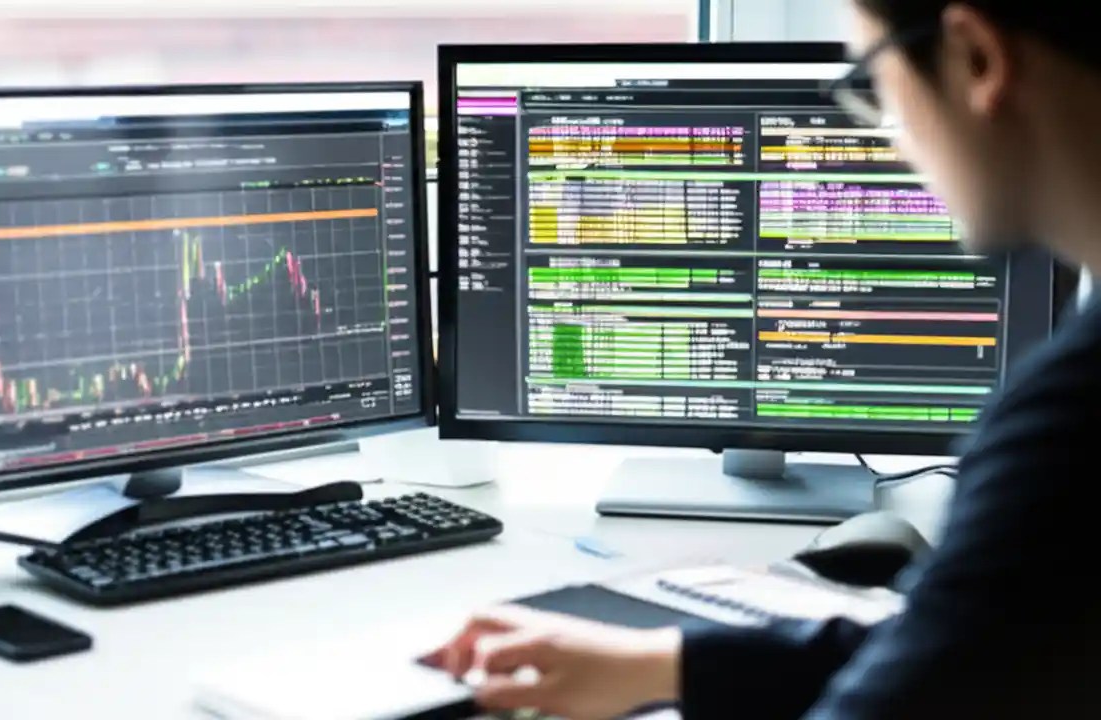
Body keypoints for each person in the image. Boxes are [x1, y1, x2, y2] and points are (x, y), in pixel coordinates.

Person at [430, 1, 1101, 718]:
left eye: (871, 80)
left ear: (977, 61)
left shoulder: (1072, 426)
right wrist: (669, 665)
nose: (883, 128)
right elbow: (964, 652)